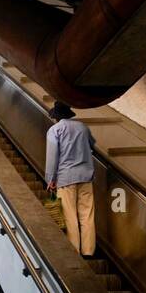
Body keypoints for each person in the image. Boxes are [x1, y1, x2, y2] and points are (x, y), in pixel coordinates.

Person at [45, 101, 96, 257]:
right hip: (86, 177)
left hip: (65, 178)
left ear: (56, 117)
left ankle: (74, 251)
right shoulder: (83, 127)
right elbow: (92, 146)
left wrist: (50, 179)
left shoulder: (55, 130)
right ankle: (88, 251)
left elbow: (52, 157)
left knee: (69, 216)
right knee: (87, 215)